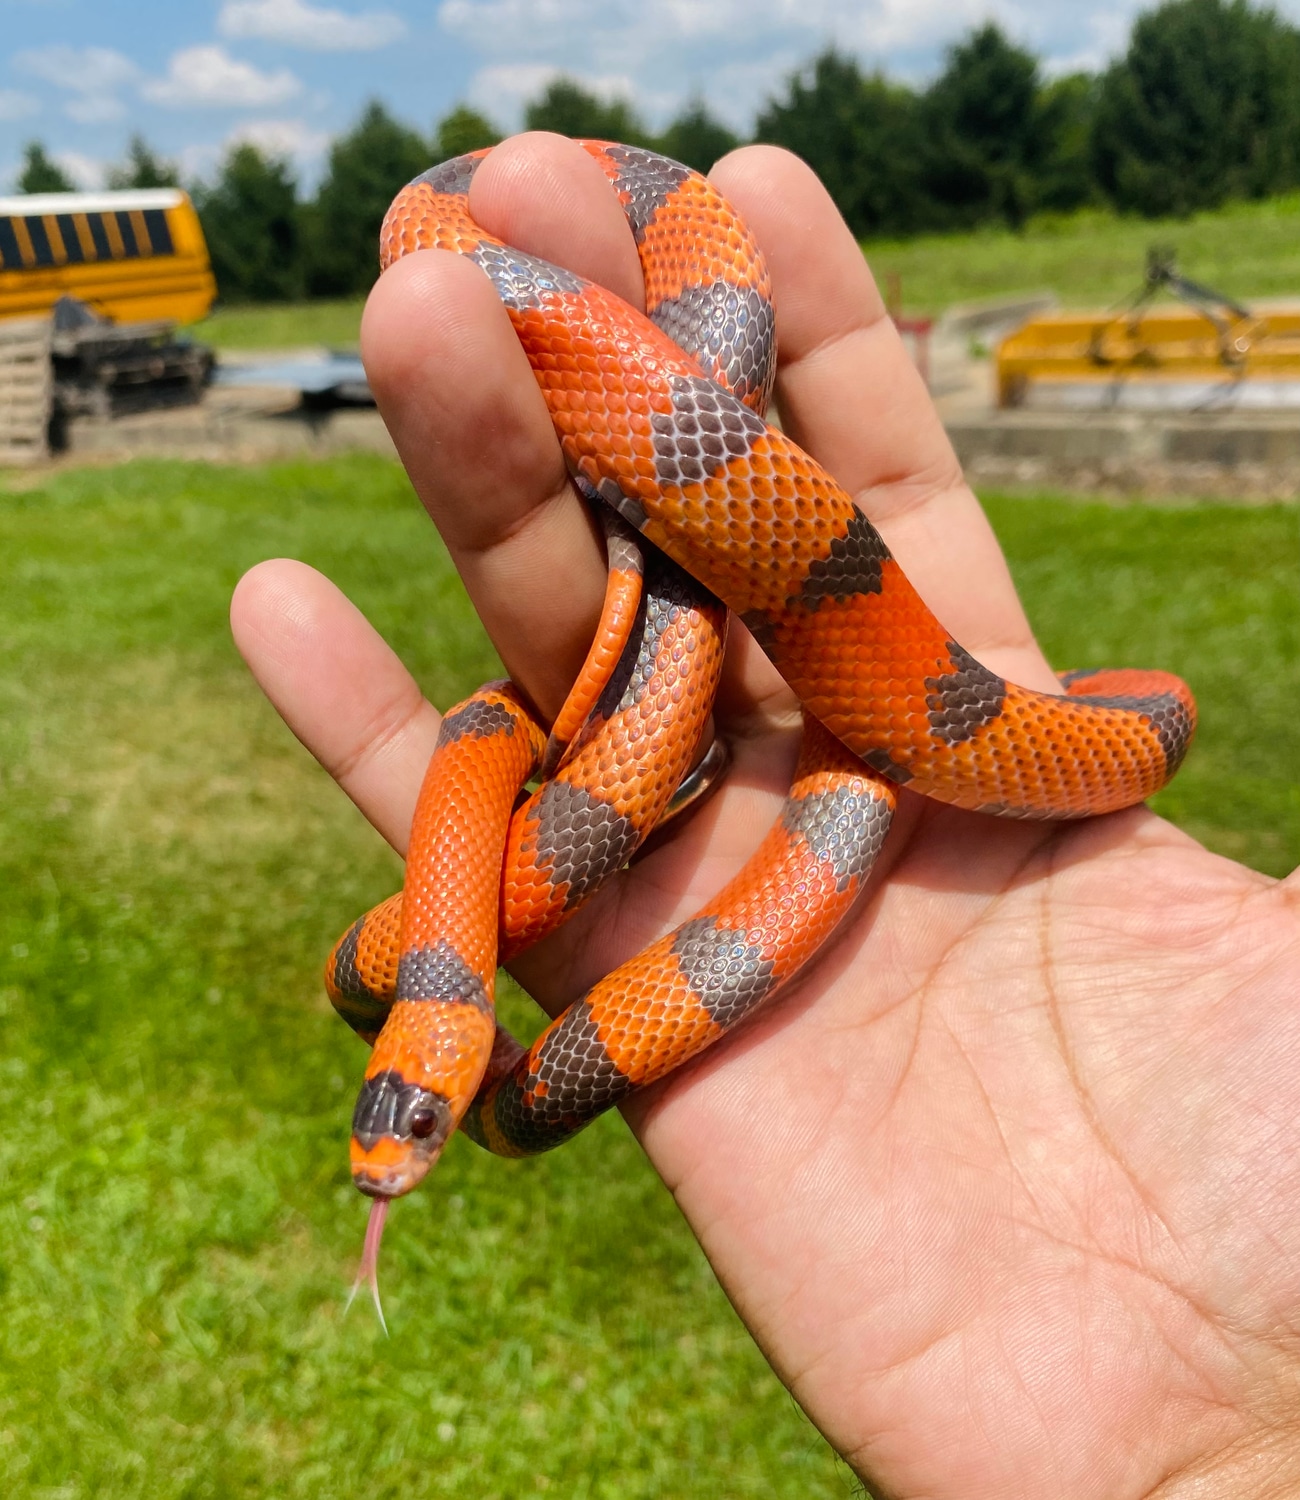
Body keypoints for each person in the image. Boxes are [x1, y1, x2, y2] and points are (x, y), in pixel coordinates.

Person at [231, 133, 1300, 1498]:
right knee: (622, 676)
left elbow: (440, 933)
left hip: (858, 671)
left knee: (638, 687)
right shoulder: (450, 972)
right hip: (732, 624)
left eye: (432, 1122)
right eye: (431, 1123)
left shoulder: (448, 951)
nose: (405, 1155)